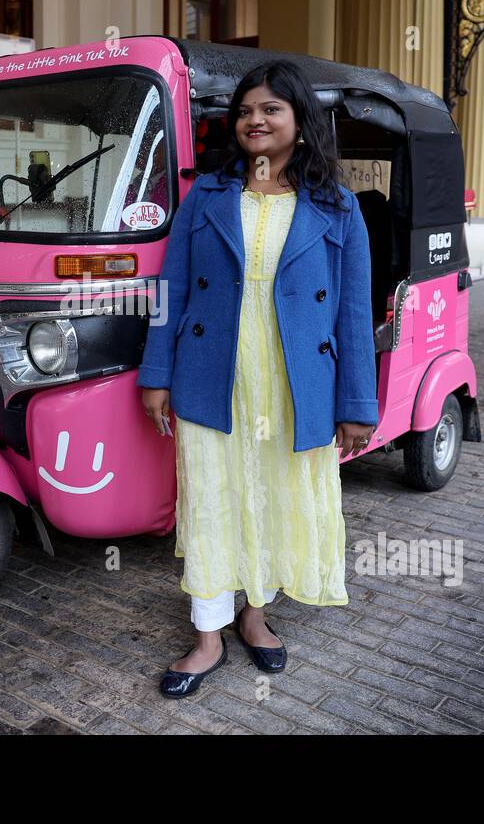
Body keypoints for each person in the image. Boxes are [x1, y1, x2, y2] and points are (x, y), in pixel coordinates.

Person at [137, 59, 378, 698]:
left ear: (300, 121)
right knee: (214, 493)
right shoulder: (207, 196)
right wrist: (156, 372)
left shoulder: (336, 206)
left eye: (271, 109)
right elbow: (169, 289)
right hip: (212, 372)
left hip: (295, 381)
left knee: (272, 492)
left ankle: (255, 615)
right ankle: (208, 633)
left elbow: (354, 310)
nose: (255, 120)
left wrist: (358, 402)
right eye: (246, 110)